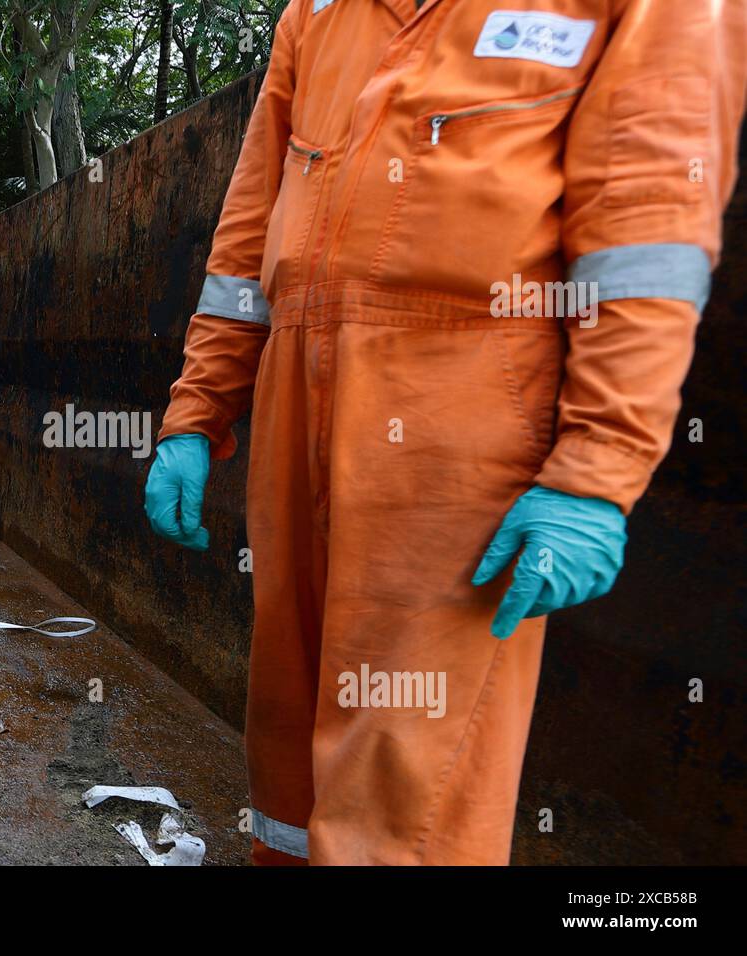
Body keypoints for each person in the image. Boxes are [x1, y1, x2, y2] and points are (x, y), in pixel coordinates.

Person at [144, 0, 746, 865]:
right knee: (287, 739)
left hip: (464, 421)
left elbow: (648, 232)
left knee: (408, 779)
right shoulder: (316, 11)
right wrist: (198, 411)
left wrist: (596, 471)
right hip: (294, 395)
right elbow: (248, 233)